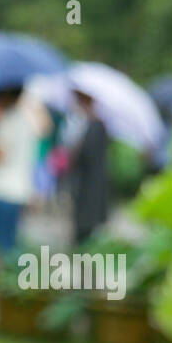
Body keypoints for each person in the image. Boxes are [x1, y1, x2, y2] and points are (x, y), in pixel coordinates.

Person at [0, 90, 38, 254]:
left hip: (3, 190)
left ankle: (0, 277)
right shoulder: (27, 121)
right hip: (20, 189)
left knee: (0, 245)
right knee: (11, 241)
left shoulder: (7, 121)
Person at [65, 88, 110, 244]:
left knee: (87, 223)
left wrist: (76, 150)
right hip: (85, 181)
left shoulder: (96, 125)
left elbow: (88, 153)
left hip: (91, 183)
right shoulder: (86, 123)